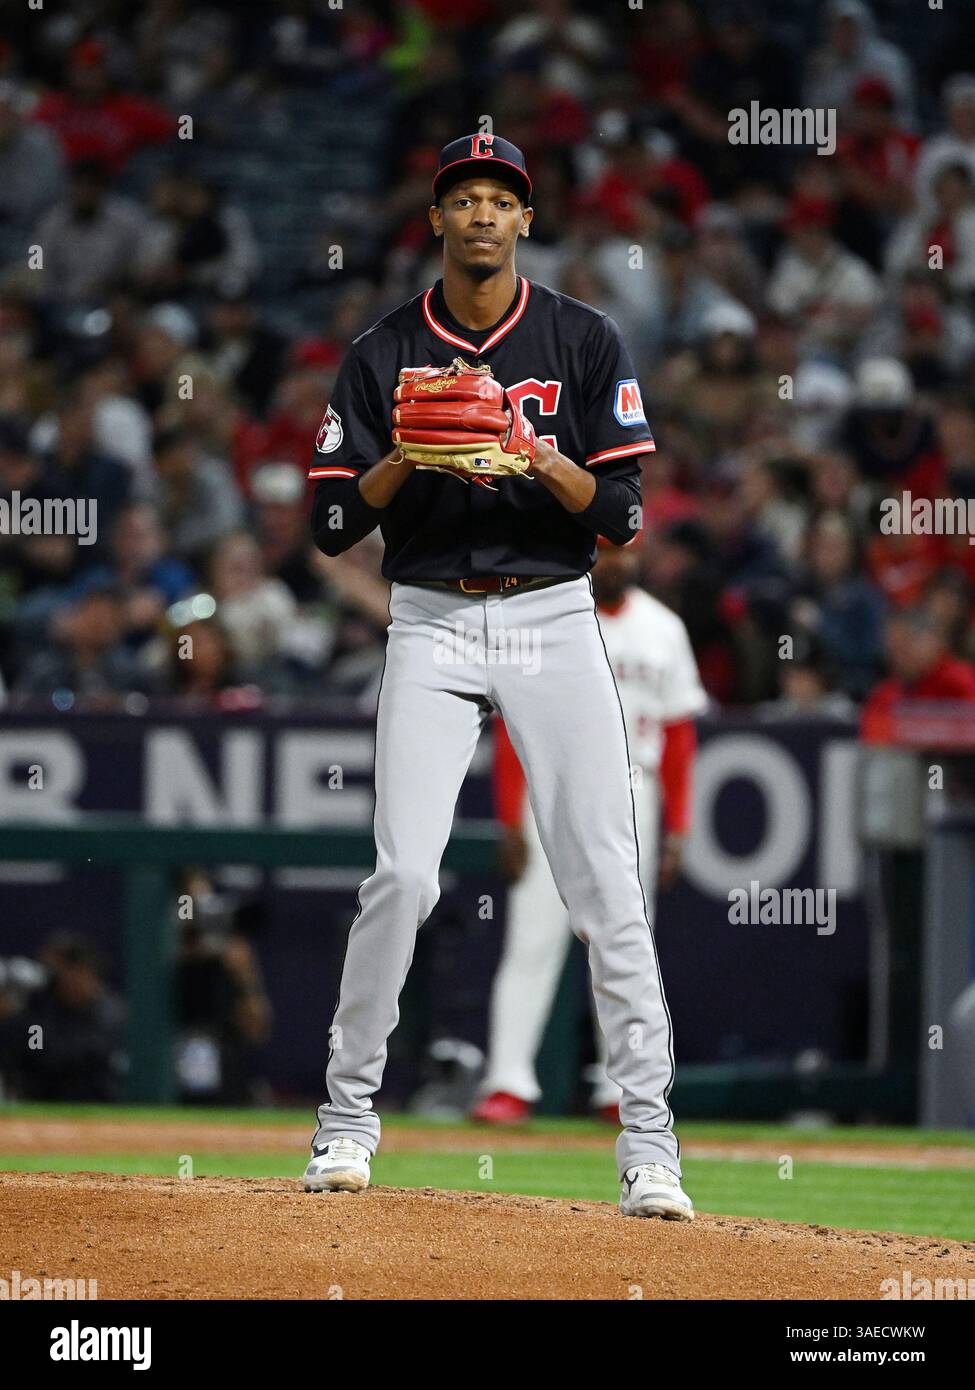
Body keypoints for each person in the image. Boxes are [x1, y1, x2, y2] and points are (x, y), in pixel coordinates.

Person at [302, 134, 695, 1221]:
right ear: (436, 219)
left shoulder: (581, 337)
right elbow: (334, 525)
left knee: (607, 885)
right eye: (463, 197)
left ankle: (650, 1145)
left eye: (500, 199)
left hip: (554, 614)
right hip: (427, 619)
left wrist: (534, 450)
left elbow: (621, 519)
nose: (482, 213)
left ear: (524, 220)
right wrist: (404, 458)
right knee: (404, 878)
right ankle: (345, 1121)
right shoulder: (383, 350)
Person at [473, 534, 706, 1125]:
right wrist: (508, 818)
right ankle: (507, 1084)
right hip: (551, 787)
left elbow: (679, 739)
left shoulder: (664, 629)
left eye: (628, 552)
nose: (619, 562)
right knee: (532, 941)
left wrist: (678, 828)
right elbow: (507, 728)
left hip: (633, 793)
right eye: (608, 551)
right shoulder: (542, 614)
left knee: (624, 943)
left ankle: (620, 1088)